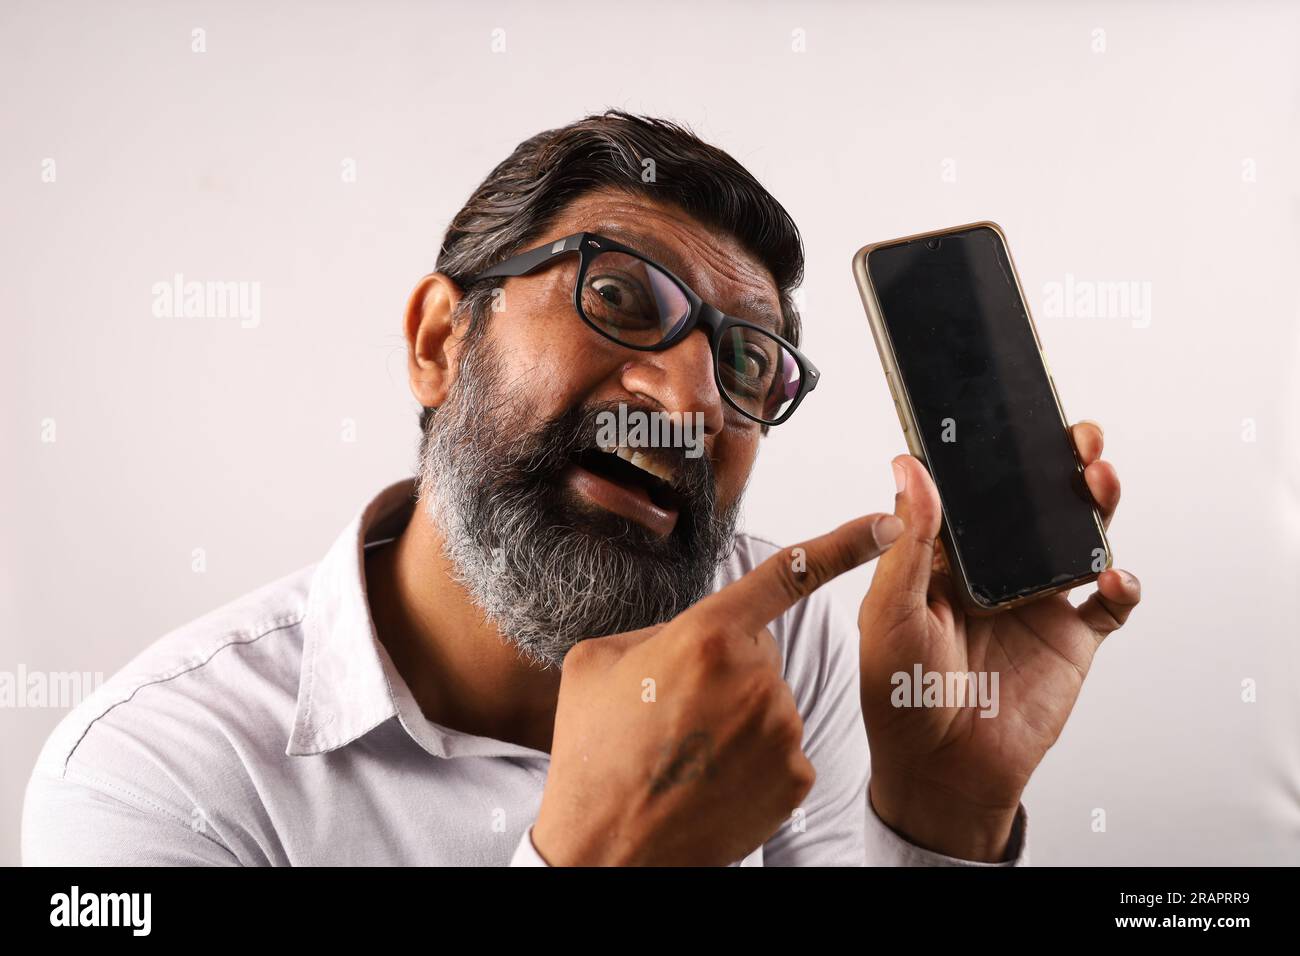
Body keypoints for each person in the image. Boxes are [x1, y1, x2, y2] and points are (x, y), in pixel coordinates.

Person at [22, 110, 1139, 866]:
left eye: (748, 362)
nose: (691, 394)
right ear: (439, 340)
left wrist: (939, 817)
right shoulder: (152, 776)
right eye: (621, 295)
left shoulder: (792, 645)